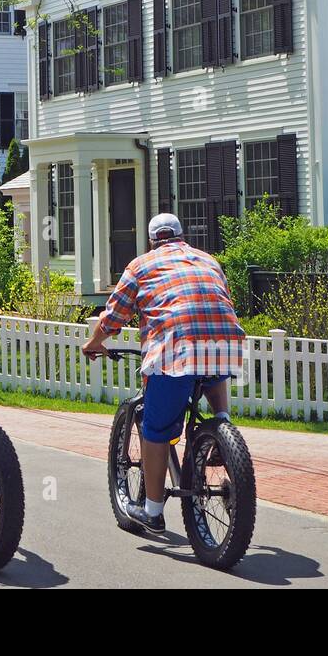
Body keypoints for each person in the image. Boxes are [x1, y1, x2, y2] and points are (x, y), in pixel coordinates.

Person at [81, 212, 246, 533]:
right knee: (211, 363)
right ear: (182, 236)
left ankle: (153, 511)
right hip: (225, 341)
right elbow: (220, 300)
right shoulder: (208, 260)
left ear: (152, 241)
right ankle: (222, 424)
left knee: (156, 430)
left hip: (173, 350)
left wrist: (94, 342)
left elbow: (114, 317)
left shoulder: (140, 266)